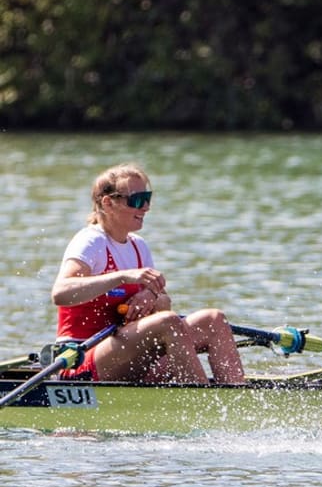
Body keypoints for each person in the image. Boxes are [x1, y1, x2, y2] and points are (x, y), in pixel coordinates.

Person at [50, 164, 246, 384]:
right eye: (136, 200)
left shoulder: (138, 246)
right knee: (168, 323)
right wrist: (122, 277)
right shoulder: (90, 241)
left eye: (147, 198)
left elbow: (164, 302)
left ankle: (235, 397)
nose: (145, 207)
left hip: (129, 356)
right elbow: (60, 293)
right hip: (80, 360)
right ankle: (201, 406)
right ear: (108, 203)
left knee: (214, 319)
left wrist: (151, 296)